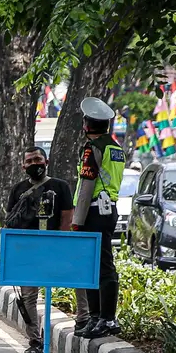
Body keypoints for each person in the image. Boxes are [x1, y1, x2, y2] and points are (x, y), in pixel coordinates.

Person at [5, 147, 74, 353]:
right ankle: (35, 340)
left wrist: (61, 245)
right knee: (28, 297)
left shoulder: (60, 187)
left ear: (47, 161)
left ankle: (82, 321)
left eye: (38, 159)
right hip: (27, 250)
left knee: (65, 289)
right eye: (30, 161)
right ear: (23, 166)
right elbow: (10, 221)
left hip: (52, 248)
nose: (35, 164)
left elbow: (67, 217)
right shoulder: (17, 190)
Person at [70, 97, 126, 339]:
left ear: (86, 125)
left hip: (92, 211)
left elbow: (86, 186)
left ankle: (106, 318)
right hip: (109, 208)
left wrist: (77, 220)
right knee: (96, 264)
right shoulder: (116, 148)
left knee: (98, 266)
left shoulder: (92, 149)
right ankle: (96, 317)